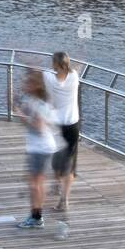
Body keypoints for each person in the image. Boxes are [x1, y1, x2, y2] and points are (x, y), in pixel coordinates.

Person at [13, 68, 59, 230]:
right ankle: (36, 216)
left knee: (34, 184)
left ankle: (36, 217)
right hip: (42, 147)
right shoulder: (37, 101)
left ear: (36, 85)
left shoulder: (39, 104)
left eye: (28, 82)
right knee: (38, 182)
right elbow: (28, 113)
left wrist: (18, 112)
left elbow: (37, 126)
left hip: (40, 148)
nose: (25, 84)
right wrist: (17, 104)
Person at [45, 51, 80, 212]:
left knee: (56, 160)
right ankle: (63, 199)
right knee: (69, 165)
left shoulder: (49, 78)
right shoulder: (74, 77)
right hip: (72, 126)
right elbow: (75, 68)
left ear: (55, 65)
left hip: (57, 127)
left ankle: (58, 186)